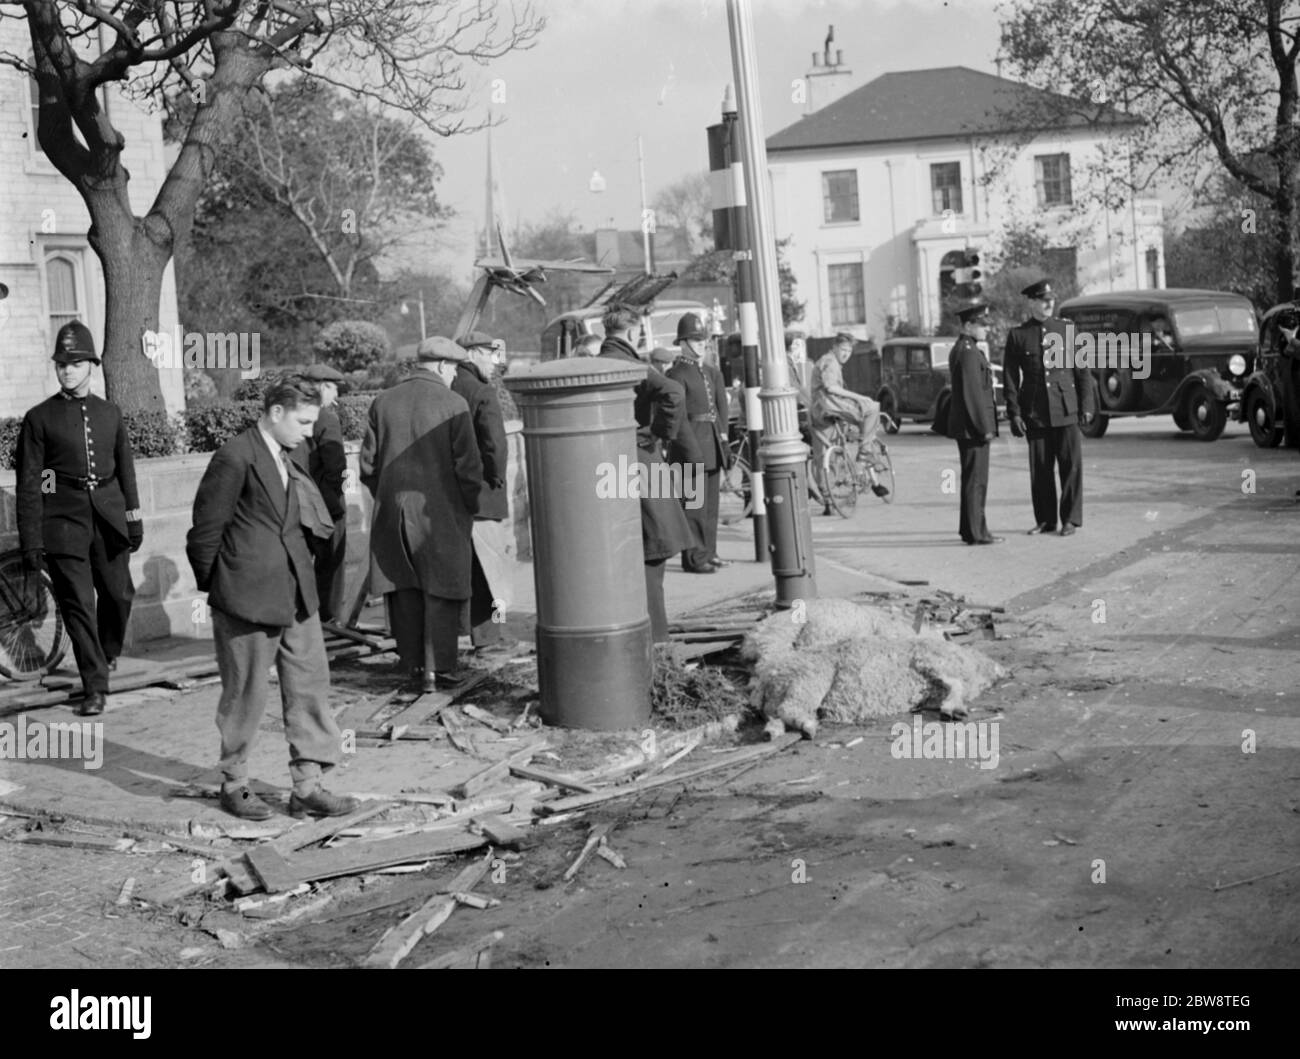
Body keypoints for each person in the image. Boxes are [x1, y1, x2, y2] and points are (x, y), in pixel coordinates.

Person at [186, 376, 356, 821]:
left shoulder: (291, 453)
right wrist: (221, 588)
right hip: (246, 597)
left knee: (310, 687)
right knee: (245, 693)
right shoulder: (235, 456)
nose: (307, 432)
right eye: (302, 422)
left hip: (297, 593)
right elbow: (204, 532)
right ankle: (235, 782)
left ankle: (308, 787)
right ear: (275, 413)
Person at [16, 322, 143, 716]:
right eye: (61, 364)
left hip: (108, 518)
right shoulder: (40, 418)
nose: (67, 370)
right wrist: (34, 536)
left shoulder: (110, 413)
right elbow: (36, 481)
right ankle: (95, 686)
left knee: (120, 594)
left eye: (75, 363)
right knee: (78, 606)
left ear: (92, 364)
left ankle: (105, 652)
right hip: (64, 525)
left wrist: (133, 518)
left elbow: (125, 469)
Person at [361, 337, 482, 692]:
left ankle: (412, 664)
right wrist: (467, 507)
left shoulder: (382, 402)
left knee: (403, 586)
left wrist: (385, 495)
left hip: (391, 511)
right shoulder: (453, 403)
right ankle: (439, 667)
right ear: (444, 366)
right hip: (440, 513)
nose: (455, 376)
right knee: (441, 587)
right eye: (455, 369)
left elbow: (368, 465)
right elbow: (469, 469)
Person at [599, 308, 694, 641]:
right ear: (632, 332)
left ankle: (641, 635)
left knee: (630, 555)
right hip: (640, 463)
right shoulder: (632, 366)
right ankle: (657, 643)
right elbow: (674, 392)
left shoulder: (599, 362)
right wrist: (657, 431)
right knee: (652, 556)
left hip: (609, 469)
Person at [1003, 278, 1097, 536]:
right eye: (1043, 301)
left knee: (1071, 466)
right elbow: (1010, 378)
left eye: (1051, 301)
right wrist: (1014, 413)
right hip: (1035, 412)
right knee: (1040, 469)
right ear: (1031, 302)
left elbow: (1083, 372)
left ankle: (1070, 520)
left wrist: (1087, 405)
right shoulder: (1018, 335)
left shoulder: (1067, 330)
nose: (1048, 304)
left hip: (1066, 409)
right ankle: (1046, 520)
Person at [453, 330, 514, 655]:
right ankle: (491, 636)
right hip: (482, 494)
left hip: (453, 495)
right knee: (491, 568)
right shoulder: (482, 391)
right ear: (473, 353)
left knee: (469, 569)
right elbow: (495, 444)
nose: (495, 362)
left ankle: (474, 632)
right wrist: (497, 478)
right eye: (490, 354)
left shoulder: (450, 386)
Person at [667, 312, 731, 573]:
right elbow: (679, 417)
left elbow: (720, 408)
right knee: (694, 507)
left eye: (702, 338)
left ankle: (709, 551)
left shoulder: (709, 372)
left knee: (711, 507)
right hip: (689, 446)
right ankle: (694, 558)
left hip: (711, 442)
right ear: (683, 342)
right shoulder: (676, 373)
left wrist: (724, 438)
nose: (702, 343)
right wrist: (690, 449)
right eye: (695, 339)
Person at [291, 363, 348, 624]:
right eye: (334, 389)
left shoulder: (292, 413)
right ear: (323, 387)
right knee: (331, 564)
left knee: (302, 562)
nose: (336, 395)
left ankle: (304, 614)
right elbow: (336, 465)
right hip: (325, 504)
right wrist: (334, 499)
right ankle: (327, 616)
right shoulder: (326, 417)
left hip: (297, 502)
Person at [810, 332, 889, 514]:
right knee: (872, 407)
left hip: (820, 410)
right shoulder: (830, 362)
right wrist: (860, 397)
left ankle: (831, 500)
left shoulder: (829, 361)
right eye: (843, 349)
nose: (846, 354)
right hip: (828, 405)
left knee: (828, 454)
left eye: (849, 351)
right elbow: (831, 387)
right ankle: (864, 454)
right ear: (835, 347)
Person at [947, 298, 1002, 545]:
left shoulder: (965, 348)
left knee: (973, 480)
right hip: (973, 429)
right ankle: (977, 532)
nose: (986, 329)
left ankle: (971, 530)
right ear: (968, 326)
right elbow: (973, 395)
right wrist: (984, 428)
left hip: (969, 428)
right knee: (976, 481)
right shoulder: (968, 353)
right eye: (982, 325)